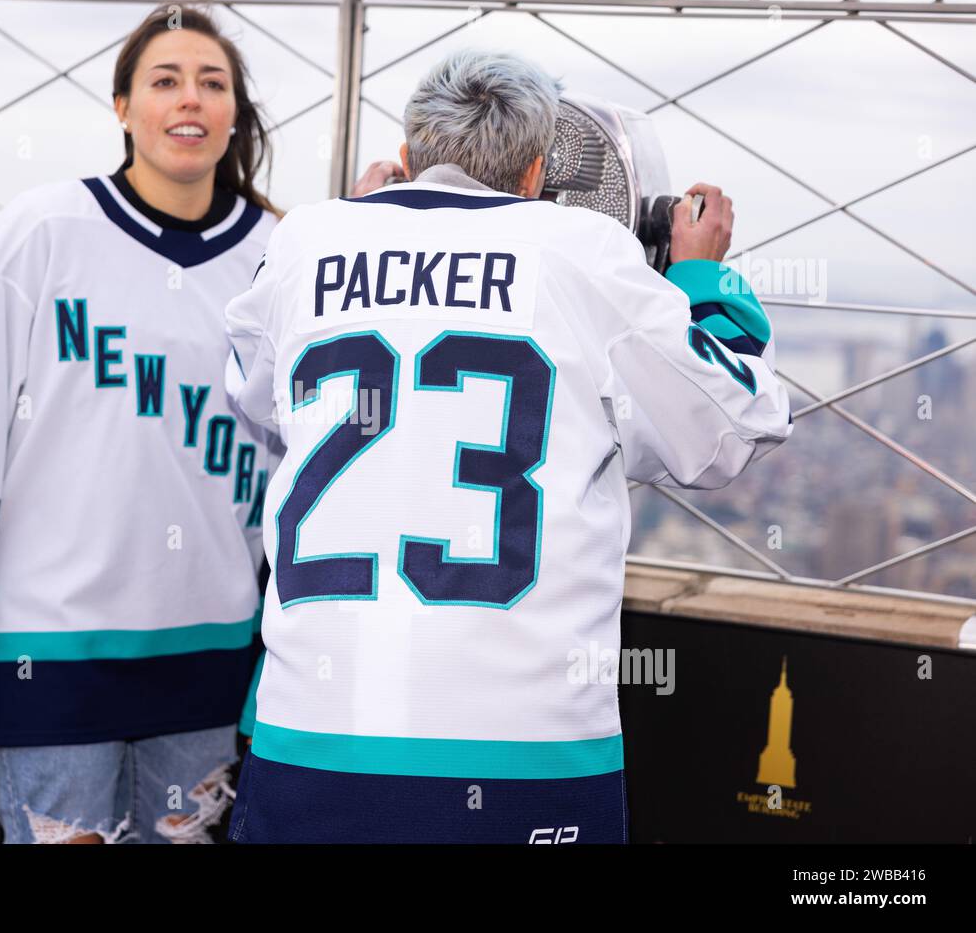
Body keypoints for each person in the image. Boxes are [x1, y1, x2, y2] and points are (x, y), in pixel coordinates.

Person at [224, 48, 794, 843]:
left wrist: (355, 228)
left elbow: (256, 393)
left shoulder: (303, 241)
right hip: (524, 755)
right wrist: (699, 278)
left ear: (414, 149)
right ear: (534, 172)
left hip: (311, 739)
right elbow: (737, 424)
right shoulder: (583, 253)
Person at [0, 4, 282, 844]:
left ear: (235, 115)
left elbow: (307, 482)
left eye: (213, 83)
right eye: (165, 80)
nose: (191, 99)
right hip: (51, 663)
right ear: (122, 106)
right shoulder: (40, 233)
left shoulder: (279, 260)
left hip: (210, 669)